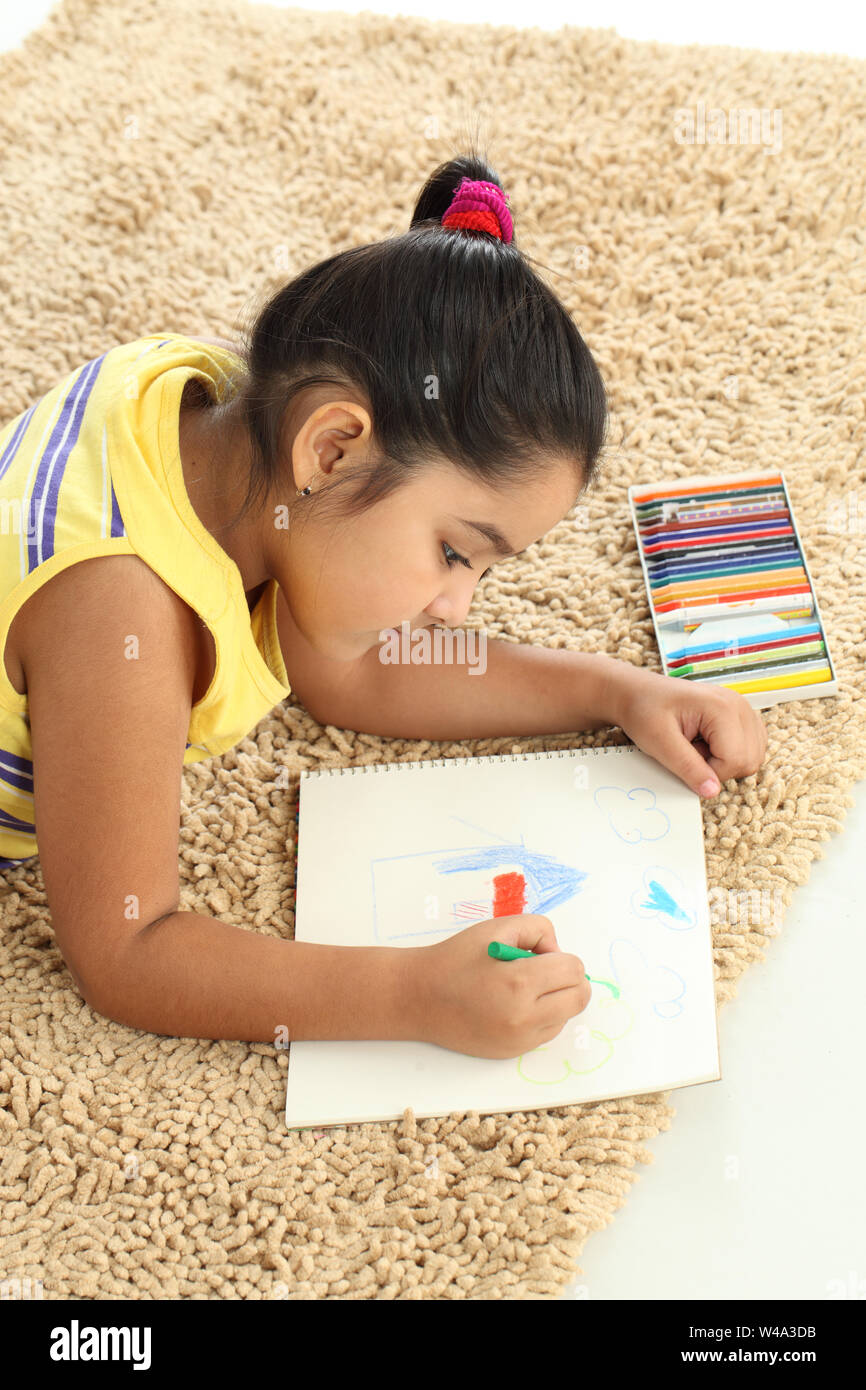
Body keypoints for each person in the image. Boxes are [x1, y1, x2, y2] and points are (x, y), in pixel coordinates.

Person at [0, 148, 766, 1060]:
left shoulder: (214, 417)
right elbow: (125, 951)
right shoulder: (121, 621)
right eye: (454, 553)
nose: (454, 608)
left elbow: (354, 678)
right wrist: (411, 995)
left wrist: (617, 691)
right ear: (331, 449)